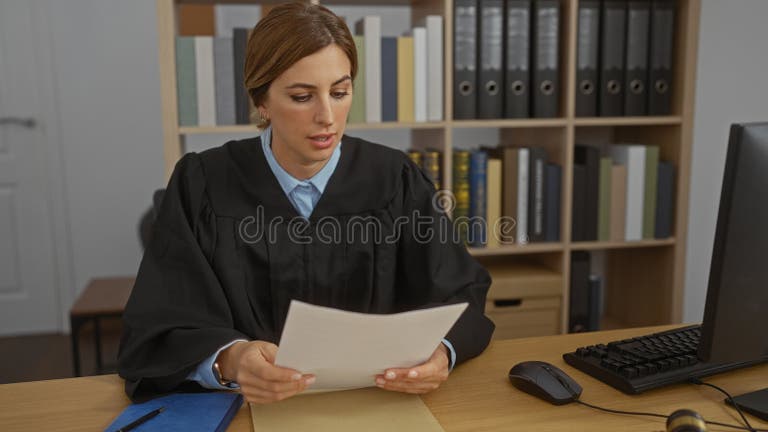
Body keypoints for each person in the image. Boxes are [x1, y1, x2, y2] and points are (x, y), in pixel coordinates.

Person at [118, 2, 494, 404]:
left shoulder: (394, 179)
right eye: (302, 96)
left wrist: (441, 353)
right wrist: (229, 360)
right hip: (246, 409)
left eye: (340, 92)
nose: (327, 117)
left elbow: (458, 291)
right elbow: (158, 326)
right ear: (261, 101)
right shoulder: (204, 184)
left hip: (375, 406)